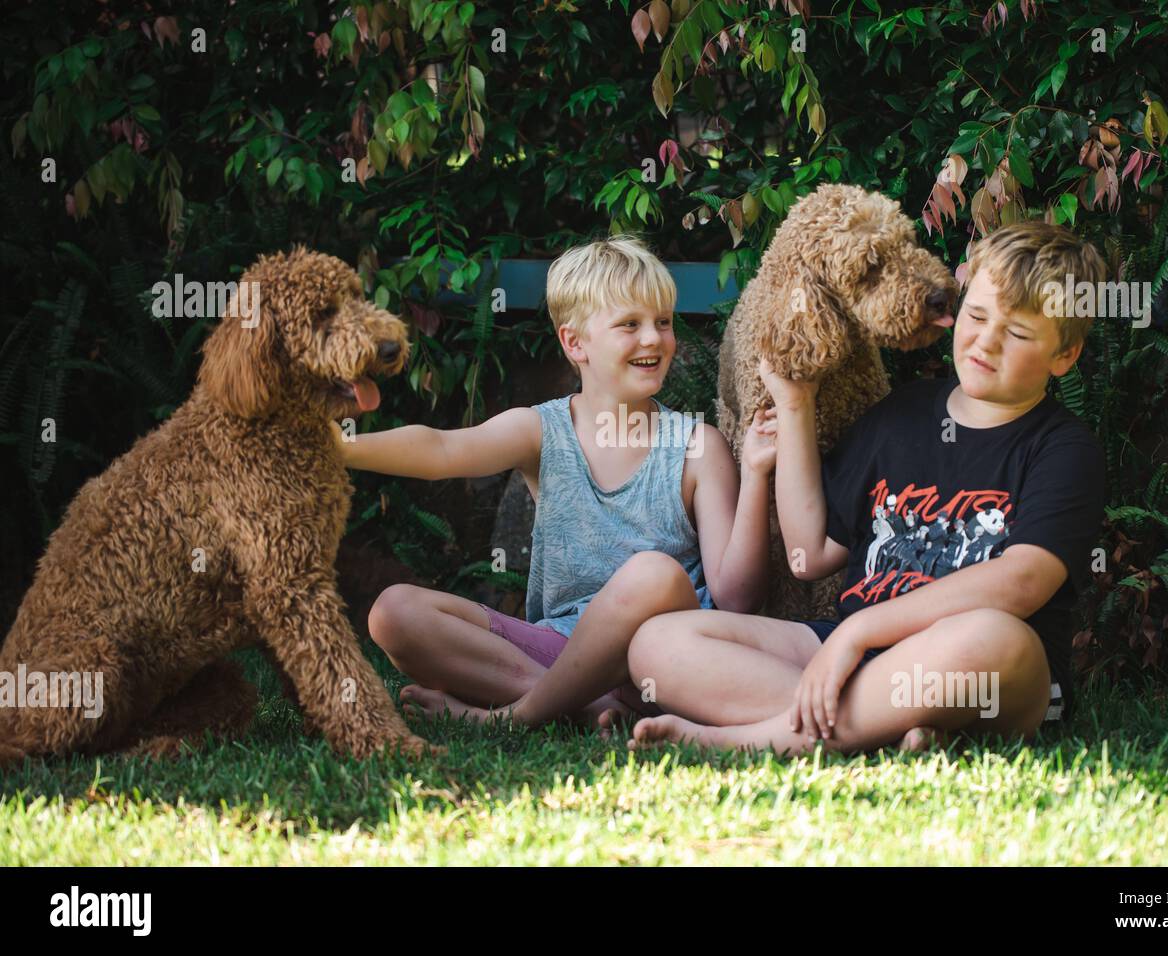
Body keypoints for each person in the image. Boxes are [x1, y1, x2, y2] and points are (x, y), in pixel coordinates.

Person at [626, 221, 1107, 754]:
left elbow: (1022, 583)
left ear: (1065, 356)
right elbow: (808, 555)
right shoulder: (901, 415)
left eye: (1017, 333)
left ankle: (756, 740)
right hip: (846, 652)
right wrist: (795, 405)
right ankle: (881, 723)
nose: (985, 341)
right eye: (976, 315)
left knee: (994, 638)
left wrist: (861, 632)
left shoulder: (1063, 449)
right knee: (659, 642)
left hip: (970, 667)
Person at [341, 236, 776, 731]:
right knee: (393, 613)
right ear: (575, 343)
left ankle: (513, 714)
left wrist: (757, 475)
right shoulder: (542, 431)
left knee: (652, 574)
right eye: (630, 324)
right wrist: (337, 448)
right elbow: (441, 450)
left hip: (657, 660)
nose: (654, 339)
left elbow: (737, 599)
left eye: (663, 322)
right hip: (555, 649)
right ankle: (584, 707)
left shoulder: (698, 445)